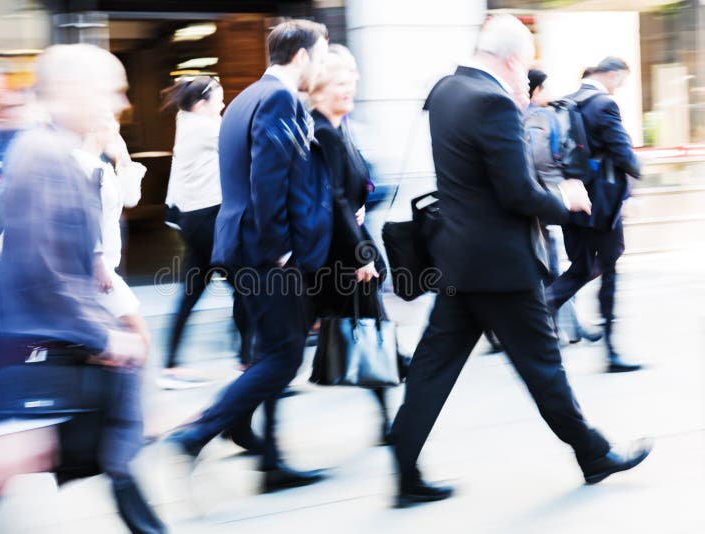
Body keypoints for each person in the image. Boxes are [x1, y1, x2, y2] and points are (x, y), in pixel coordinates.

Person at [388, 15, 650, 509]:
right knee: (544, 367)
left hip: (459, 260)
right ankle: (594, 454)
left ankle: (403, 468)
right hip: (502, 266)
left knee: (432, 366)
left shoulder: (446, 90)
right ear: (512, 60)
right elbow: (518, 193)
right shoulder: (492, 102)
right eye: (525, 66)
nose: (525, 78)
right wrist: (566, 201)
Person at [0, 44, 166, 534]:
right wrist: (103, 336)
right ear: (72, 90)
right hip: (46, 346)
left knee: (116, 449)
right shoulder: (43, 155)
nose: (122, 104)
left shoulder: (56, 151)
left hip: (58, 340)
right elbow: (45, 270)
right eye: (112, 90)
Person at [168, 19, 332, 493]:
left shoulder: (244, 98)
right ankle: (196, 434)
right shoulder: (279, 98)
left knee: (267, 351)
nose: (321, 68)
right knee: (283, 357)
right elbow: (268, 177)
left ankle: (263, 455)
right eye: (320, 57)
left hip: (239, 243)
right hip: (263, 250)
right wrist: (278, 247)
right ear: (301, 56)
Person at [309, 44, 392, 444]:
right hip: (334, 255)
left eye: (351, 81)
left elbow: (354, 188)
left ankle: (388, 415)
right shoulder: (323, 132)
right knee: (371, 325)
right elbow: (335, 199)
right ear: (318, 90)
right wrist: (360, 254)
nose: (349, 89)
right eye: (339, 83)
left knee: (372, 323)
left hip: (345, 244)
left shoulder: (339, 127)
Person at [544, 57, 642, 373]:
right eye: (622, 80)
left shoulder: (565, 102)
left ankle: (540, 313)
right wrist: (639, 173)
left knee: (583, 267)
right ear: (612, 74)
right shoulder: (604, 105)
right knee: (607, 268)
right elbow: (623, 154)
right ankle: (611, 352)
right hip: (602, 205)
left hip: (572, 200)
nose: (620, 86)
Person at [159, 76, 253, 388]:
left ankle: (171, 366)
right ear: (201, 105)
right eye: (219, 99)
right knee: (247, 286)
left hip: (195, 219)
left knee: (193, 292)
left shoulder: (188, 124)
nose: (224, 105)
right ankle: (248, 360)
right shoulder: (203, 128)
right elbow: (245, 142)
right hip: (208, 218)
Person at [525, 69, 602, 346]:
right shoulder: (537, 117)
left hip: (540, 199)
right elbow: (540, 161)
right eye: (546, 87)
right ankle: (558, 329)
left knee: (554, 267)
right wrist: (562, 185)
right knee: (551, 267)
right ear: (536, 90)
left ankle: (571, 327)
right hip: (545, 199)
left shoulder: (526, 114)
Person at [74, 113, 150, 346]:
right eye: (111, 125)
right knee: (140, 339)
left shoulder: (102, 166)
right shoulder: (83, 165)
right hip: (94, 269)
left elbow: (131, 198)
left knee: (108, 345)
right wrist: (97, 264)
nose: (117, 131)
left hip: (104, 266)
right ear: (93, 128)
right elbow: (85, 219)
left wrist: (122, 158)